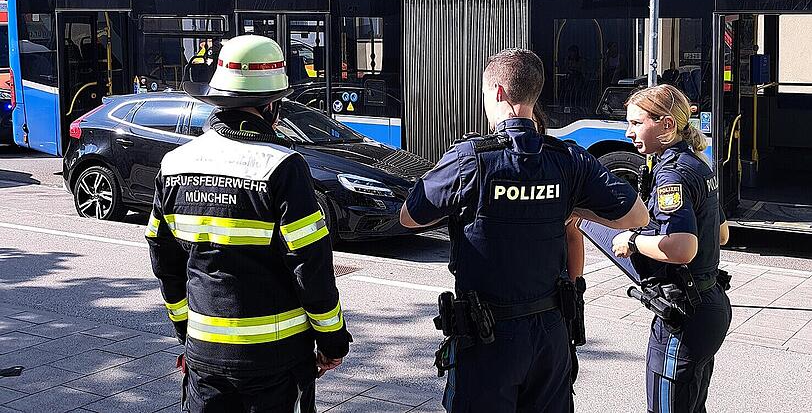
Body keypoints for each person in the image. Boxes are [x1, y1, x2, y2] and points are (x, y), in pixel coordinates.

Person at [400, 48, 649, 412]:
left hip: (487, 337)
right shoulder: (569, 158)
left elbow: (410, 217)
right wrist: (568, 206)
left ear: (498, 92)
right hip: (550, 334)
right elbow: (637, 215)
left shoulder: (472, 158)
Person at [145, 35, 351, 413]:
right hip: (276, 359)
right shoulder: (282, 167)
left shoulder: (174, 163)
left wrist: (186, 335)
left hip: (204, 353)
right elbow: (311, 265)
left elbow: (165, 262)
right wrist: (333, 340)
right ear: (272, 106)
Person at [611, 84, 731, 413]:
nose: (628, 131)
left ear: (665, 125)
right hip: (710, 307)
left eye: (636, 123)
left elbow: (682, 249)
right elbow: (722, 234)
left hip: (685, 318)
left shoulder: (671, 175)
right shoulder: (697, 163)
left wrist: (633, 240)